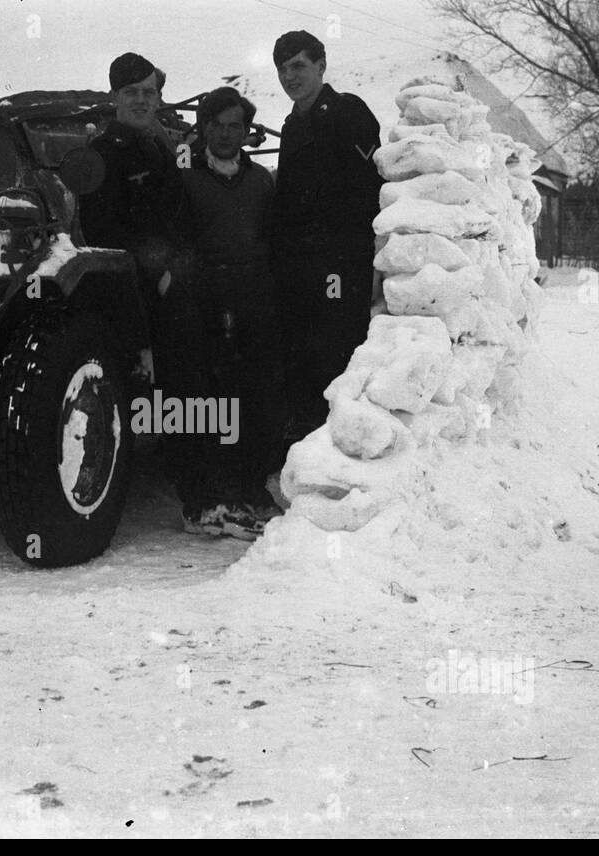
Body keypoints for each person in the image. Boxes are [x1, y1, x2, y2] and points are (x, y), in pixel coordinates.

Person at [77, 53, 218, 535]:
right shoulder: (104, 153)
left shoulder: (155, 146)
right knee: (180, 391)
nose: (141, 100)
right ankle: (199, 499)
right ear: (114, 97)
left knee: (189, 386)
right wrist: (158, 272)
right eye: (132, 92)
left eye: (149, 92)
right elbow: (106, 231)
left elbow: (174, 214)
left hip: (173, 282)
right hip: (140, 294)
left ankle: (197, 486)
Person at [180, 86, 285, 536]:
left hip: (254, 301)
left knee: (253, 396)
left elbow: (272, 238)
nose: (226, 134)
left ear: (246, 132)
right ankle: (206, 500)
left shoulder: (260, 180)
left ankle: (248, 490)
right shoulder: (185, 177)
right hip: (202, 304)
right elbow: (172, 239)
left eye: (235, 126)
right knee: (207, 400)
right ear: (203, 129)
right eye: (217, 125)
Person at [270, 30, 382, 443]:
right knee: (302, 356)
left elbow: (366, 193)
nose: (289, 76)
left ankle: (339, 449)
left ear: (321, 66)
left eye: (298, 65)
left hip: (339, 265)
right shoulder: (292, 126)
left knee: (335, 354)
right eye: (282, 69)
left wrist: (348, 261)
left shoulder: (348, 113)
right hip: (301, 268)